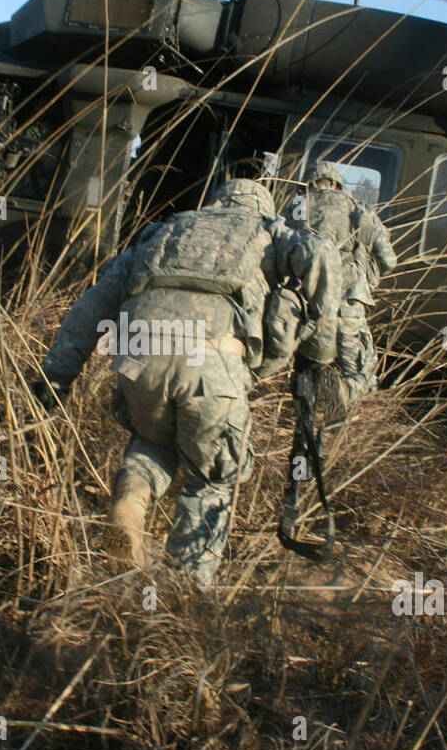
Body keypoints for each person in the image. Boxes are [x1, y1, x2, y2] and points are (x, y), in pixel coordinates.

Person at [32, 179, 343, 587]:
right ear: (262, 207)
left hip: (138, 356)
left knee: (154, 440)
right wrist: (321, 350)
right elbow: (321, 253)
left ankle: (131, 502)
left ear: (214, 203)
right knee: (210, 480)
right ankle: (185, 592)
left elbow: (90, 308)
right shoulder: (269, 230)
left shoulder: (162, 231)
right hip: (210, 363)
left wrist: (55, 379)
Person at [283, 160, 397, 402]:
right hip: (348, 296)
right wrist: (368, 276)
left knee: (306, 359)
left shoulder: (297, 206)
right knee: (356, 362)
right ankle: (346, 403)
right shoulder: (354, 206)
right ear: (336, 185)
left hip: (305, 297)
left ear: (307, 184)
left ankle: (304, 411)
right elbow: (388, 259)